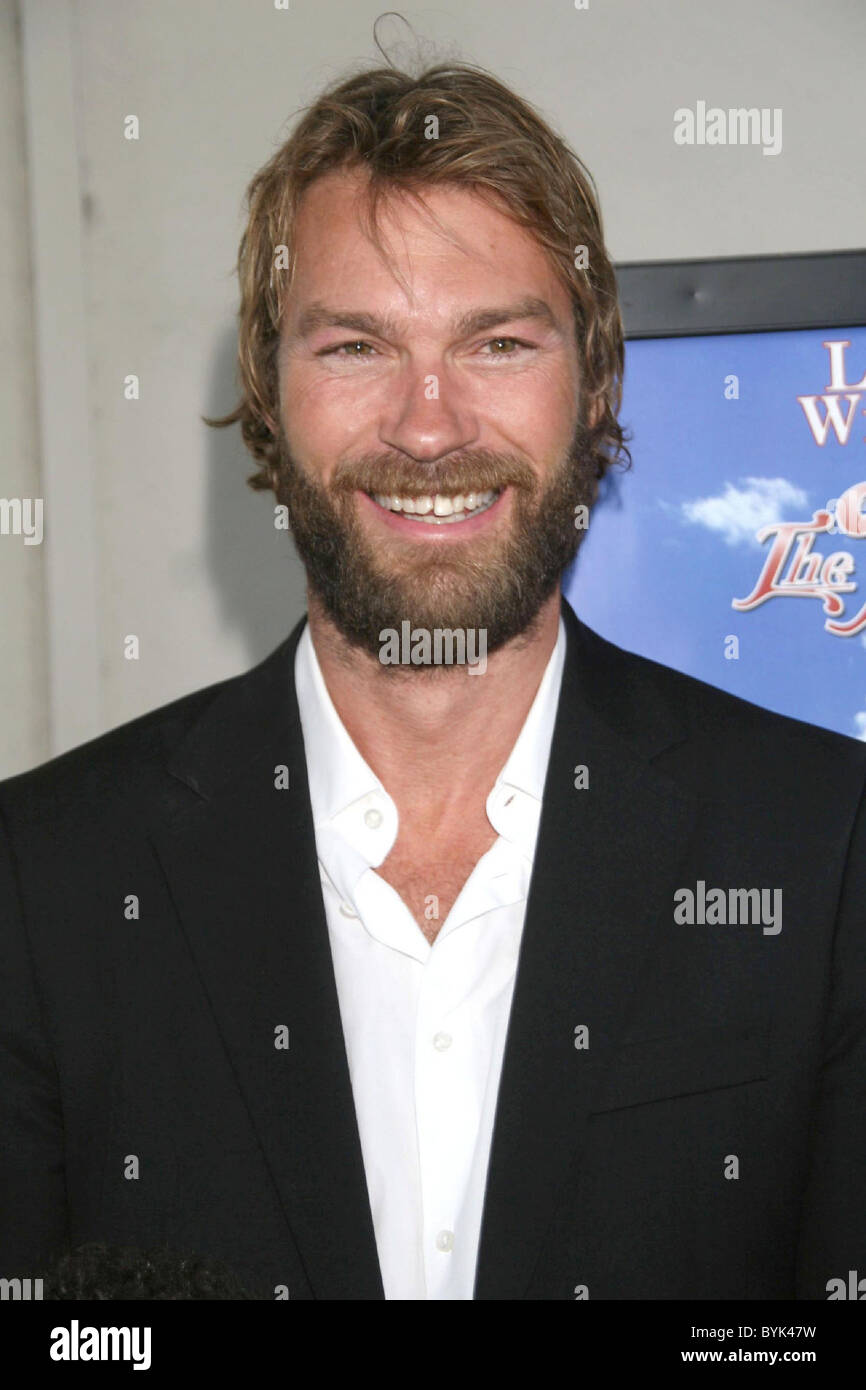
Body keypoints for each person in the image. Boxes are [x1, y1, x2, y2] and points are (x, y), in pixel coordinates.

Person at [1, 59, 864, 1302]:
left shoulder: (817, 848)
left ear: (596, 379)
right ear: (269, 388)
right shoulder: (44, 882)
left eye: (497, 341)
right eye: (356, 344)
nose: (426, 423)